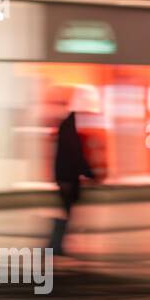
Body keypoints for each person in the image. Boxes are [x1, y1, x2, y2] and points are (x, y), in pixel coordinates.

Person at [48, 104, 96, 255]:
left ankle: (56, 243)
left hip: (64, 179)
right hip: (68, 180)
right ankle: (56, 244)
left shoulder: (64, 137)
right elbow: (77, 158)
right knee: (67, 212)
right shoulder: (71, 138)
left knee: (67, 212)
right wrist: (90, 174)